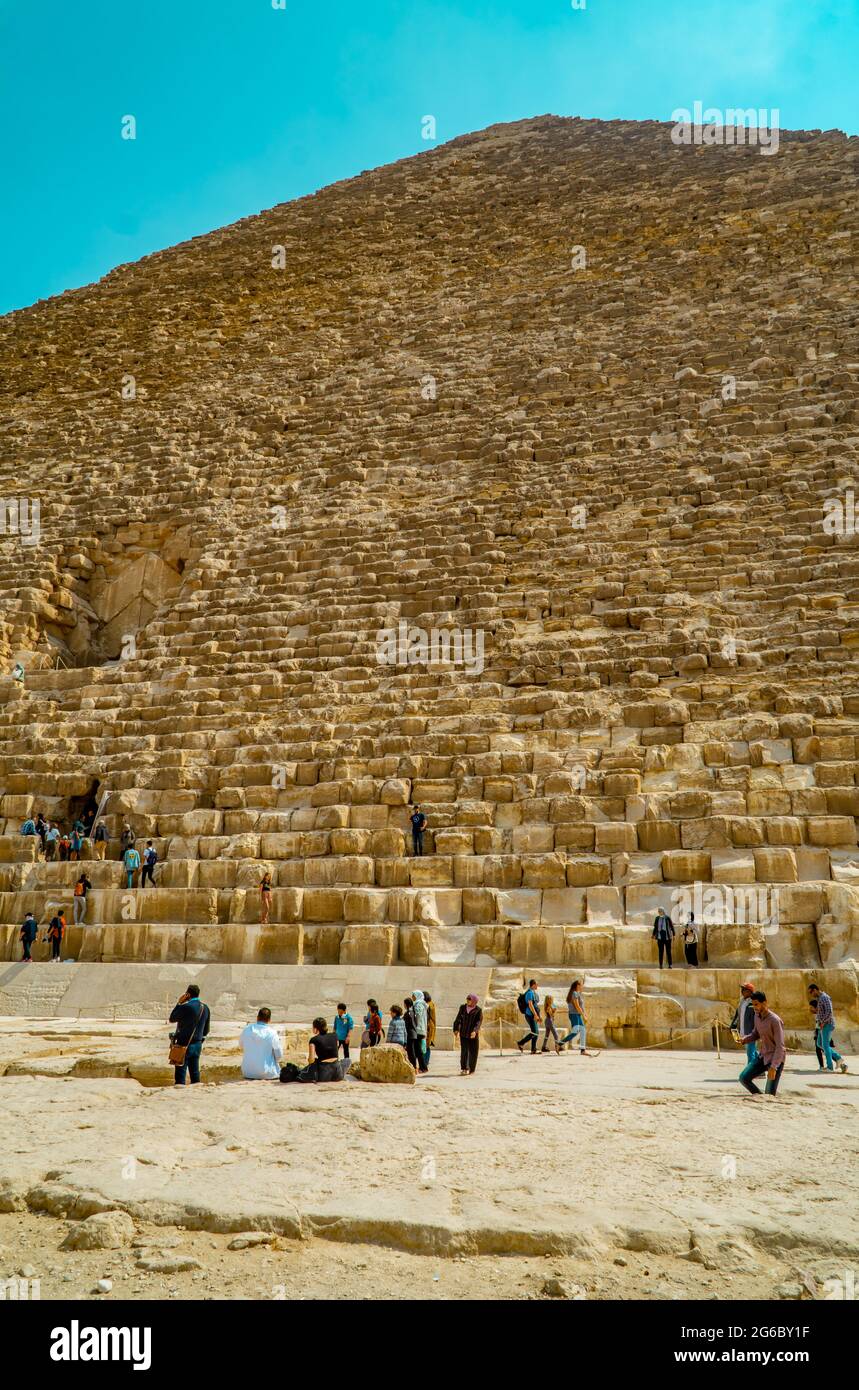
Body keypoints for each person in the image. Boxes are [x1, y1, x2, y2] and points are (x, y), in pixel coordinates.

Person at [738, 991, 785, 1097]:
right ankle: (759, 1097)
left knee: (769, 1094)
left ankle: (766, 1098)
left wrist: (773, 1067)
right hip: (763, 1056)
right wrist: (745, 1039)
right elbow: (756, 1033)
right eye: (752, 1004)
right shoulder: (756, 1016)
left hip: (775, 1060)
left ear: (764, 1003)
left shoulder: (775, 1021)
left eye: (756, 1004)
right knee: (743, 1078)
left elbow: (780, 1046)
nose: (754, 1007)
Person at [169, 984, 211, 1086]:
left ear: (187, 994)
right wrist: (199, 1040)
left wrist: (179, 1003)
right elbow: (206, 1030)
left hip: (184, 1045)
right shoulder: (205, 1008)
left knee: (180, 1076)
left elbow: (172, 1018)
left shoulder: (186, 1007)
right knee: (195, 1073)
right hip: (197, 1045)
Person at [282, 1018, 345, 1084]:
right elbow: (337, 1046)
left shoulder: (314, 1040)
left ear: (315, 1028)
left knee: (313, 1064)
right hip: (338, 1073)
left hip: (324, 1074)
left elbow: (311, 1060)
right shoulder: (335, 1035)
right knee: (347, 1060)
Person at [809, 983, 848, 1074]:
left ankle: (830, 1067)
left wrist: (823, 1022)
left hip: (827, 1024)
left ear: (815, 990)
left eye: (811, 992)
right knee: (819, 1044)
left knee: (825, 1045)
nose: (811, 994)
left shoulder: (824, 998)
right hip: (822, 1025)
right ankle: (838, 1058)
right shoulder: (819, 998)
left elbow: (830, 1012)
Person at [240, 1007, 283, 1080]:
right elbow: (279, 1055)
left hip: (247, 1072)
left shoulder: (246, 1029)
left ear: (257, 1018)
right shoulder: (272, 1033)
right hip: (266, 1073)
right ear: (269, 1020)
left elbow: (241, 1045)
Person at [559, 979, 593, 1055]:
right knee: (575, 1032)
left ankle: (583, 1050)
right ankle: (559, 1043)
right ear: (577, 985)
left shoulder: (576, 993)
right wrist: (584, 1016)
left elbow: (580, 1006)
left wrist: (583, 1014)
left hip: (577, 1015)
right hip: (574, 1015)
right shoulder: (574, 993)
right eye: (581, 985)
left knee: (583, 1031)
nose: (582, 986)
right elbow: (577, 1006)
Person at [453, 994, 482, 1075]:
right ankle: (464, 1068)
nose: (468, 1000)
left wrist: (475, 1031)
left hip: (473, 1034)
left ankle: (472, 1069)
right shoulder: (463, 1007)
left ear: (474, 1000)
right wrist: (456, 1029)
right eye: (467, 999)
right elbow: (458, 1019)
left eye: (469, 999)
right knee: (464, 1051)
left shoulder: (478, 1010)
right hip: (464, 1033)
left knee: (473, 1052)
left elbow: (478, 1022)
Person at [730, 982, 758, 1063]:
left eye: (744, 989)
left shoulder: (753, 1003)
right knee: (753, 1052)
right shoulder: (742, 1002)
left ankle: (750, 1073)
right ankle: (760, 1069)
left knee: (750, 1053)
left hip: (751, 1033)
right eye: (742, 989)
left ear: (750, 992)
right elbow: (737, 1015)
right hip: (743, 1031)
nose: (742, 991)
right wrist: (733, 1025)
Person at [516, 979, 541, 1054]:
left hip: (533, 1015)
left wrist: (538, 1015)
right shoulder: (530, 993)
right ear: (533, 985)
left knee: (536, 1032)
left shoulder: (533, 992)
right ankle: (521, 1042)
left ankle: (533, 1049)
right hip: (530, 1015)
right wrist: (535, 1015)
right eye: (536, 984)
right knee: (534, 1032)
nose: (537, 985)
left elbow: (535, 1005)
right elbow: (530, 1005)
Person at [411, 989, 429, 1073]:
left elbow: (418, 1016)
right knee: (418, 1049)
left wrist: (415, 1025)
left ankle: (423, 1067)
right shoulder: (421, 1004)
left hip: (418, 1029)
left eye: (413, 995)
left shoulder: (418, 1004)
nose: (412, 997)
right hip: (421, 1029)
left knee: (418, 1050)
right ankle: (423, 1067)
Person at [403, 995, 418, 1068]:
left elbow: (411, 1023)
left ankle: (414, 1067)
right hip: (413, 1034)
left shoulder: (409, 1013)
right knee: (411, 1051)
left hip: (410, 1034)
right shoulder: (412, 1012)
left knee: (411, 1052)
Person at [424, 990, 437, 1066]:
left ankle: (425, 1062)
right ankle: (425, 1062)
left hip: (428, 1026)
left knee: (426, 1046)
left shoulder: (428, 1005)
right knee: (427, 1046)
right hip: (430, 1026)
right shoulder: (431, 1004)